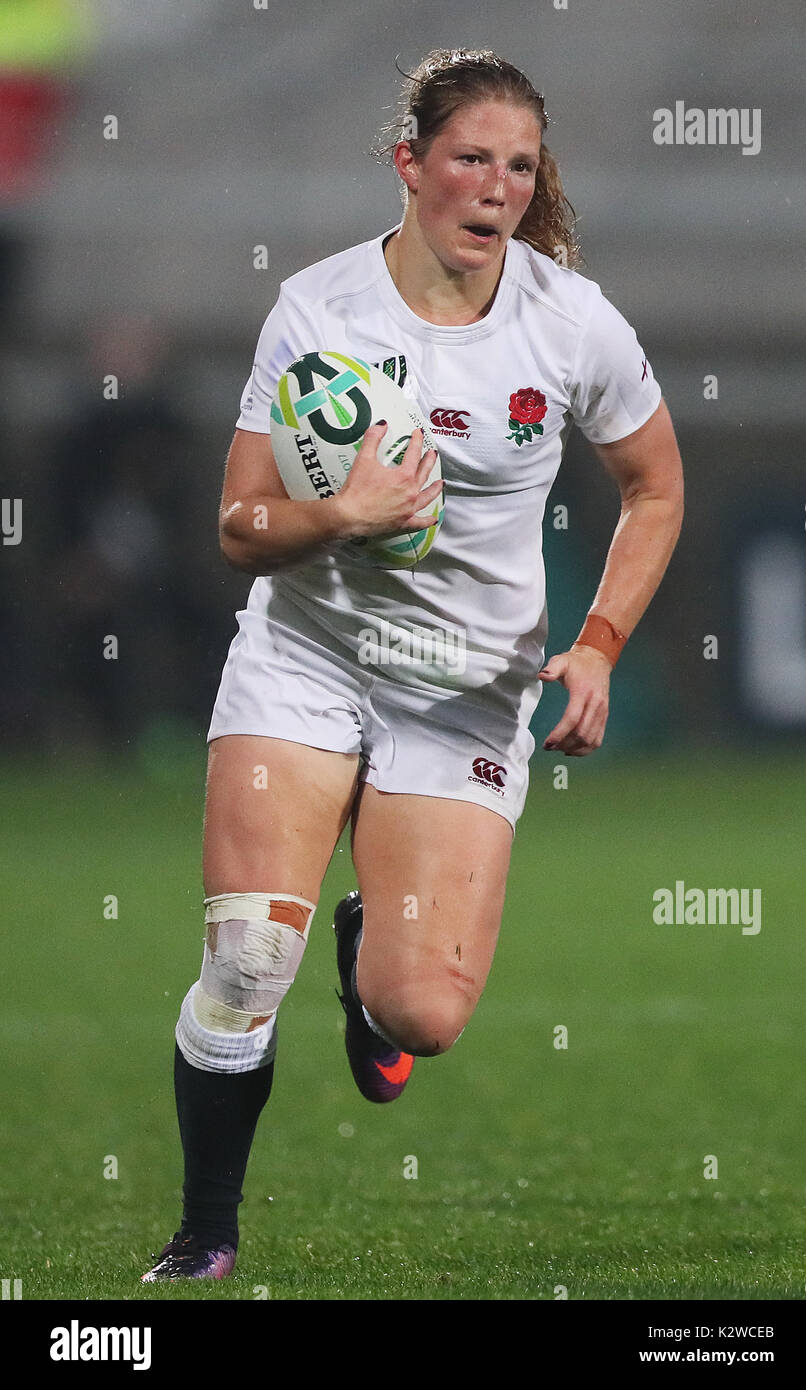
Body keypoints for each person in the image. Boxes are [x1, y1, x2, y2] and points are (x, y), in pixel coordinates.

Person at [142, 47, 683, 1282]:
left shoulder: (567, 321)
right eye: (468, 160)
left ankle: (365, 954)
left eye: (517, 167)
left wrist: (595, 645)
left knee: (420, 1016)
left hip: (467, 687)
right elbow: (239, 526)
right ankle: (205, 1234)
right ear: (409, 165)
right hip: (308, 657)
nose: (494, 189)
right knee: (241, 959)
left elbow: (654, 488)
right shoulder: (320, 311)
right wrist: (342, 514)